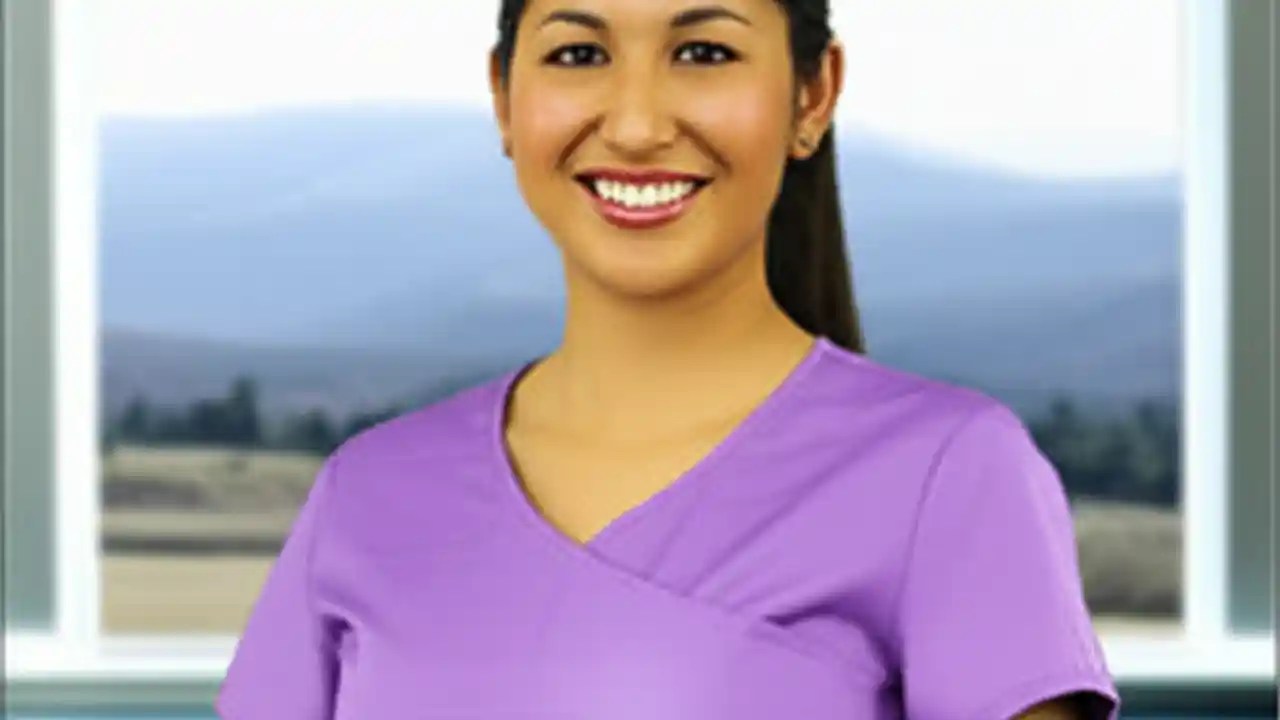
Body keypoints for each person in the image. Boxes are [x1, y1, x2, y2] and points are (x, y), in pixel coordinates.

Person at [215, 1, 1122, 718]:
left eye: (703, 52)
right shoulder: (370, 493)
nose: (639, 123)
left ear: (813, 94)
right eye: (579, 53)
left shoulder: (950, 474)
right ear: (502, 96)